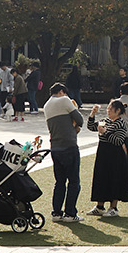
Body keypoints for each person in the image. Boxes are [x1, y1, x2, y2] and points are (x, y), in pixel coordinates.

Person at [44, 83, 84, 222]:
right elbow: (80, 120)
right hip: (69, 146)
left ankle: (56, 213)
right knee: (73, 182)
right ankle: (70, 213)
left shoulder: (47, 105)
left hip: (55, 147)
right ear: (61, 92)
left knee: (59, 182)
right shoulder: (65, 100)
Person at [87, 99, 128, 217]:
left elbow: (118, 141)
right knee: (101, 177)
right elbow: (91, 127)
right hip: (103, 154)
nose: (108, 111)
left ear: (118, 111)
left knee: (114, 179)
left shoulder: (121, 123)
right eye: (108, 109)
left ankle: (113, 207)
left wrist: (105, 132)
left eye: (110, 109)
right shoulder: (105, 121)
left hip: (115, 156)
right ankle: (99, 206)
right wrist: (93, 113)